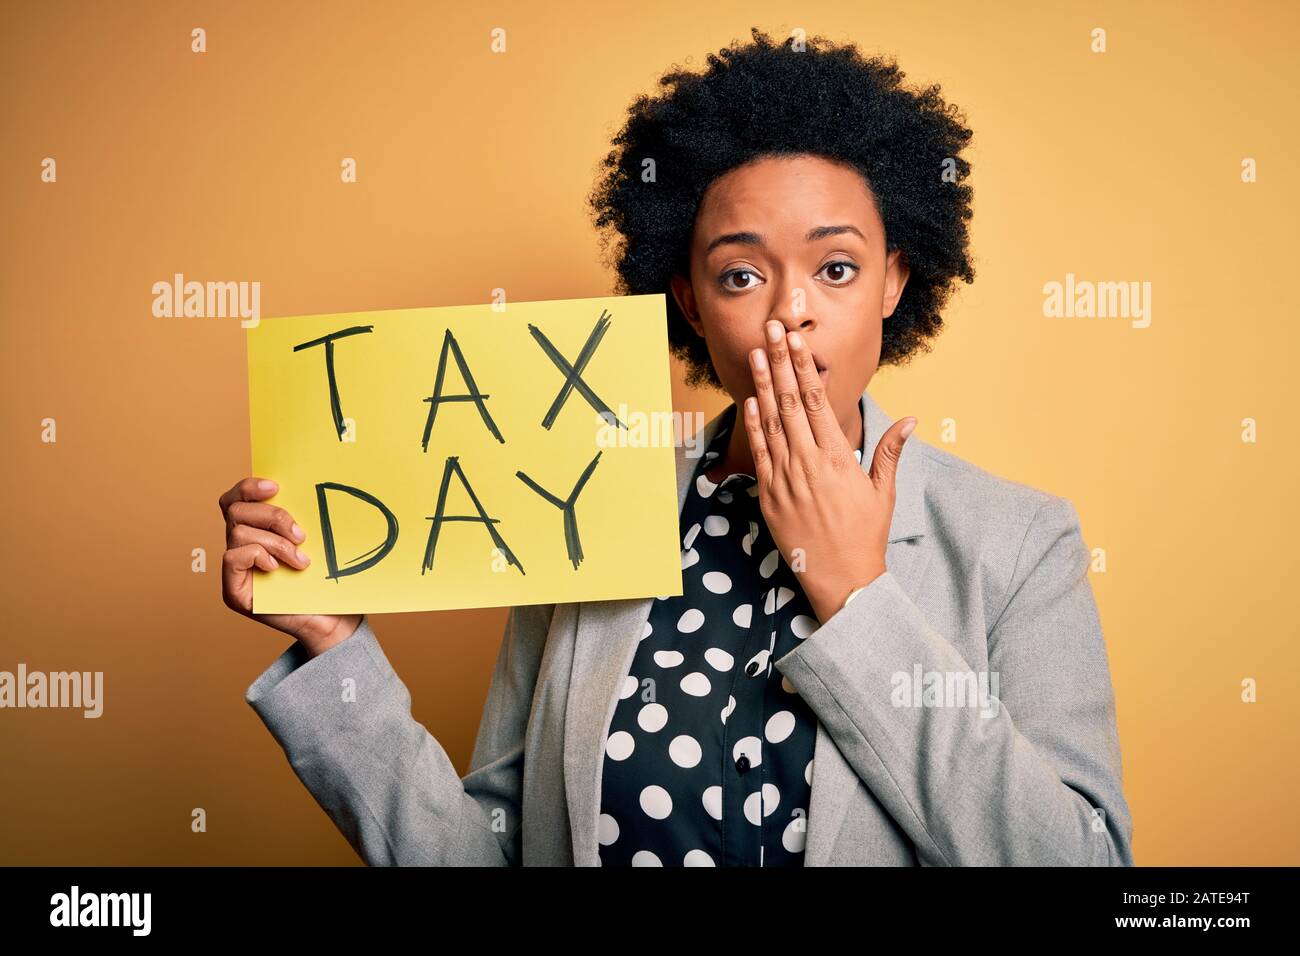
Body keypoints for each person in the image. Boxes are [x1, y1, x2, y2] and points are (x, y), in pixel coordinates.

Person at [221, 27, 1133, 866]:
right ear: (691, 303)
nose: (791, 310)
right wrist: (335, 651)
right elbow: (488, 853)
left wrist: (858, 598)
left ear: (896, 281)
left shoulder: (1020, 544)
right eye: (742, 274)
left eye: (838, 267)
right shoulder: (587, 507)